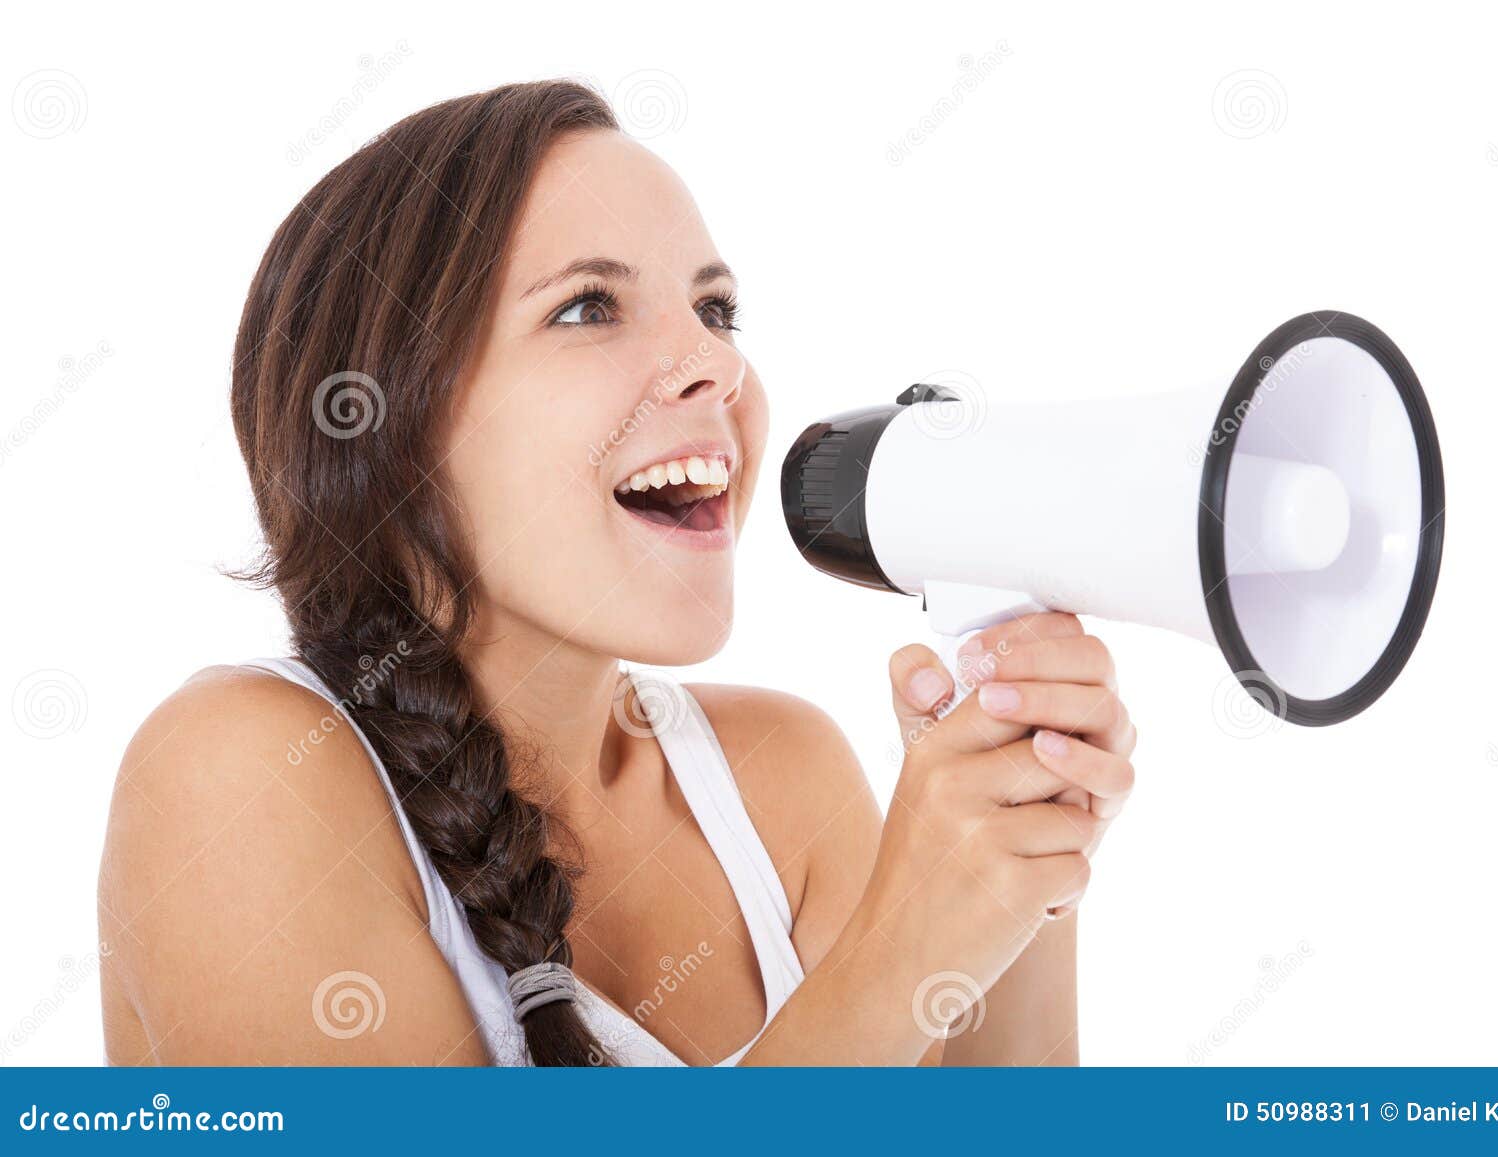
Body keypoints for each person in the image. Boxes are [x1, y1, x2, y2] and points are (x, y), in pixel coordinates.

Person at [98, 80, 1135, 1066]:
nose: (718, 366)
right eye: (589, 307)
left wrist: (1018, 877)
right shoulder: (240, 775)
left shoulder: (785, 779)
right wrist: (902, 947)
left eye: (716, 310)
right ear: (384, 426)